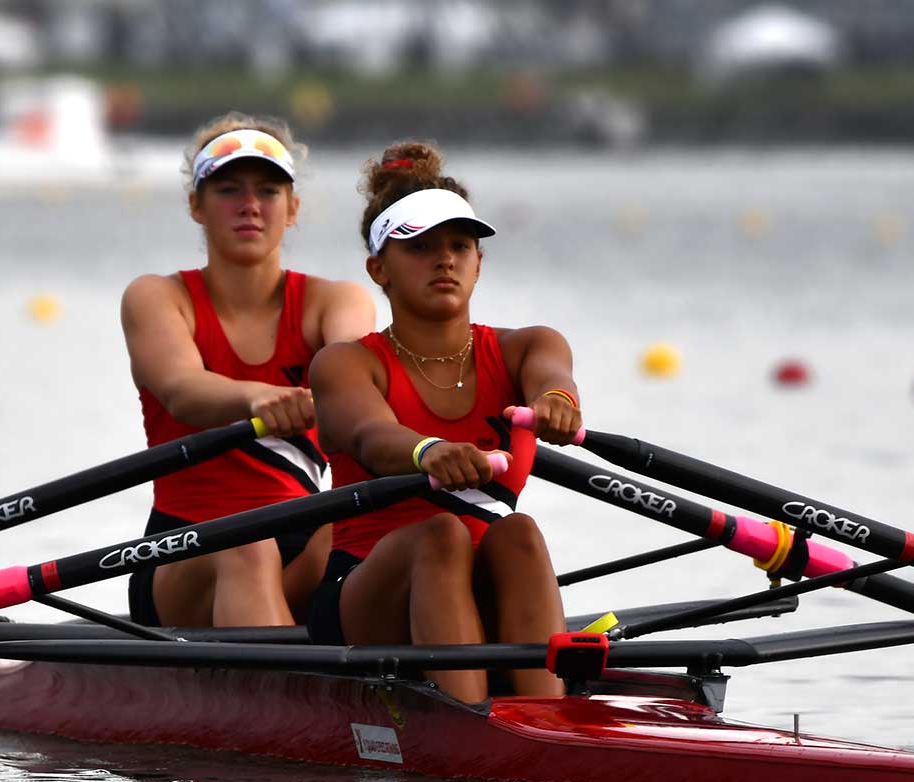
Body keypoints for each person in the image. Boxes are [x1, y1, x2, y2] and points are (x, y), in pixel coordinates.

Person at [307, 141, 582, 703]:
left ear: (480, 262)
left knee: (519, 532)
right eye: (422, 247)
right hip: (367, 596)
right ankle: (473, 726)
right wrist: (425, 450)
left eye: (461, 245)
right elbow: (369, 433)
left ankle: (548, 724)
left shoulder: (527, 347)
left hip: (486, 587)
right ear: (378, 267)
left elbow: (554, 376)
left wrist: (557, 401)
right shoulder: (345, 363)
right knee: (441, 534)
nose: (446, 259)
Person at [120, 113, 374, 628]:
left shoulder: (335, 301)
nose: (250, 206)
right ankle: (292, 697)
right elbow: (181, 389)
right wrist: (258, 397)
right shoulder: (158, 297)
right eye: (228, 189)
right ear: (196, 205)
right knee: (249, 547)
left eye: (268, 191)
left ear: (293, 207)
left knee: (376, 526)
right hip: (184, 547)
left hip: (303, 541)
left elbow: (352, 376)